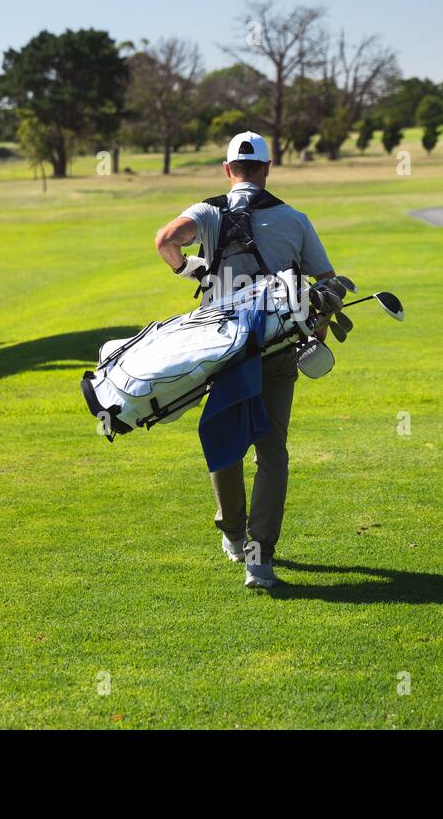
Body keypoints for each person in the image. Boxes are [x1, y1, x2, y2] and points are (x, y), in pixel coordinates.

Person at [154, 131, 335, 587]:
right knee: (271, 449)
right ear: (268, 168)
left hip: (224, 348)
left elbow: (165, 240)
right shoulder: (294, 218)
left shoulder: (208, 211)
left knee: (225, 435)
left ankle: (234, 535)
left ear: (227, 169)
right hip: (277, 348)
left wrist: (190, 268)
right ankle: (260, 557)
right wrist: (318, 328)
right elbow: (327, 282)